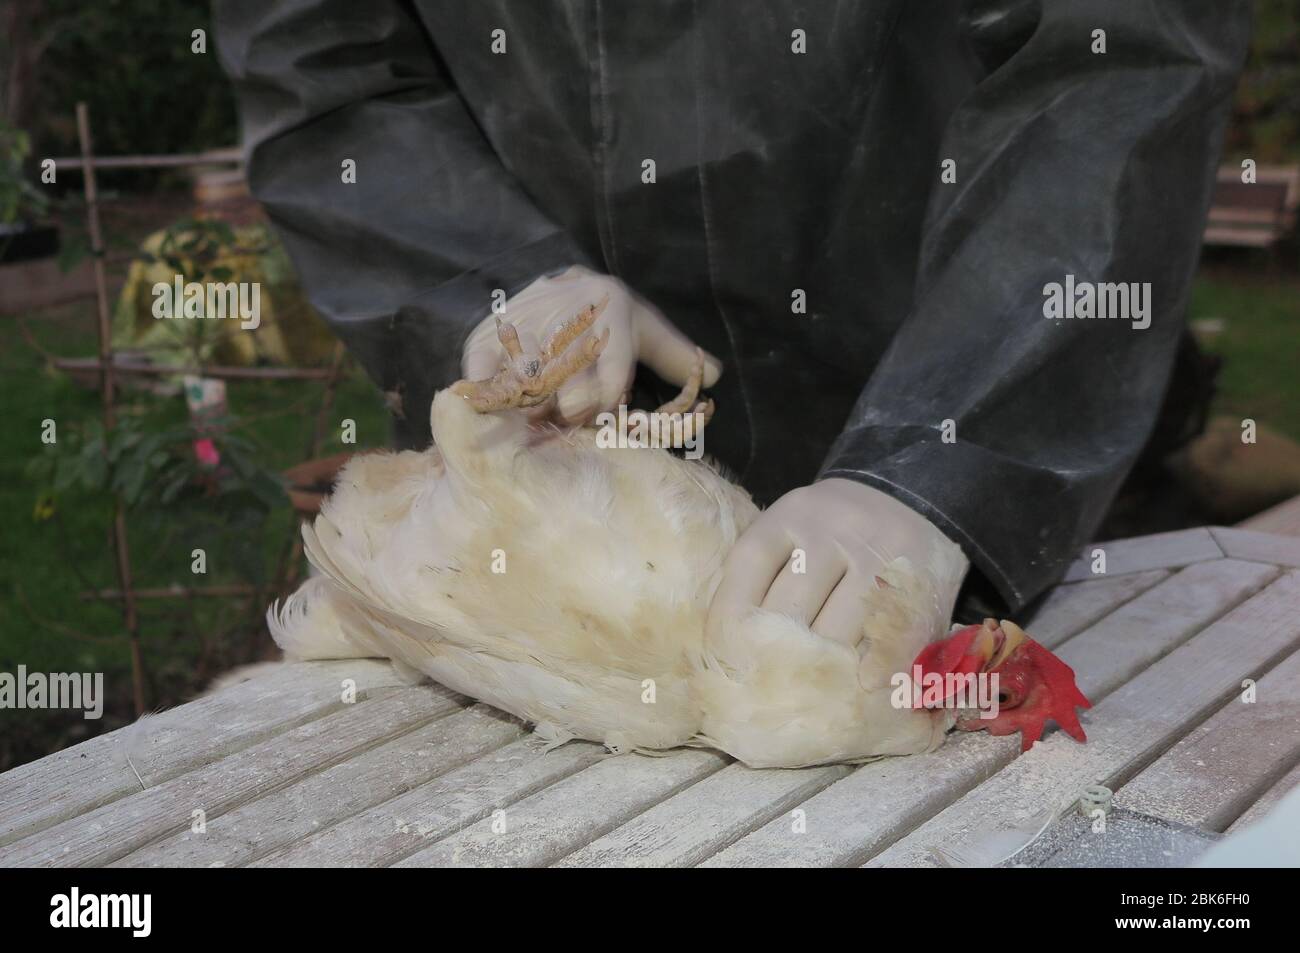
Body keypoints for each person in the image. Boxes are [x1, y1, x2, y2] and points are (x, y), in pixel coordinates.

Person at [216, 0, 1250, 644]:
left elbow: (1115, 49)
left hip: (1006, 484)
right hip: (557, 513)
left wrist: (944, 461)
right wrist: (499, 281)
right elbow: (329, 76)